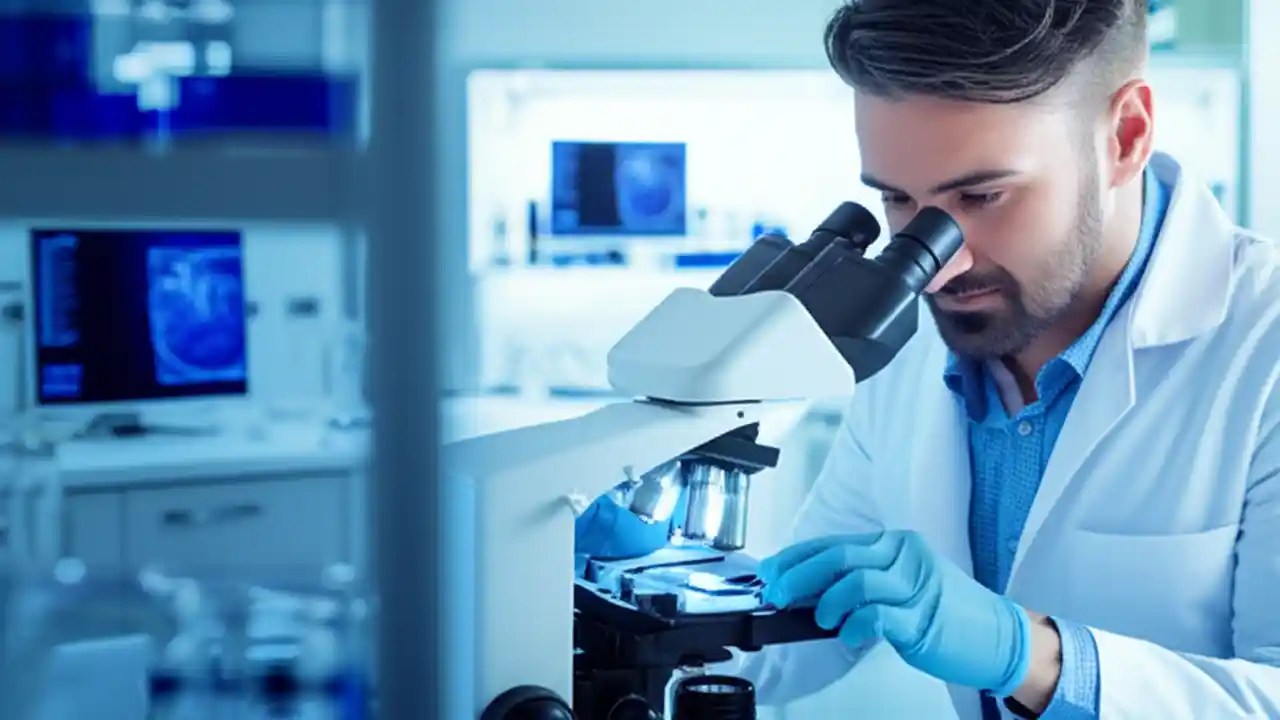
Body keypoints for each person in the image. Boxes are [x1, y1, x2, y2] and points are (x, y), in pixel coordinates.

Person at [577, 1, 1280, 718]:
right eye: (895, 200)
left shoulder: (1265, 344)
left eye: (982, 195)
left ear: (1125, 136)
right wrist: (619, 595)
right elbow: (794, 632)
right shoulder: (911, 349)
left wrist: (1031, 656)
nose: (939, 266)